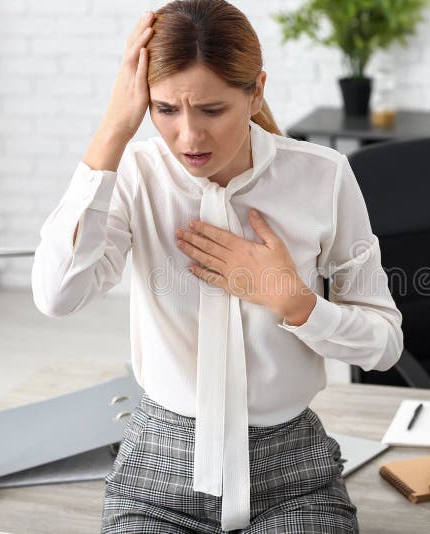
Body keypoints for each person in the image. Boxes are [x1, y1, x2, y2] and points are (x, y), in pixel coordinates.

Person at [30, 0, 404, 532]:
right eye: (165, 110)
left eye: (211, 110)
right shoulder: (135, 174)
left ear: (256, 92)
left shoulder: (324, 177)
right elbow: (57, 295)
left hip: (293, 473)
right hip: (154, 473)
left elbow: (384, 344)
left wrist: (292, 300)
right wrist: (112, 133)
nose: (189, 137)